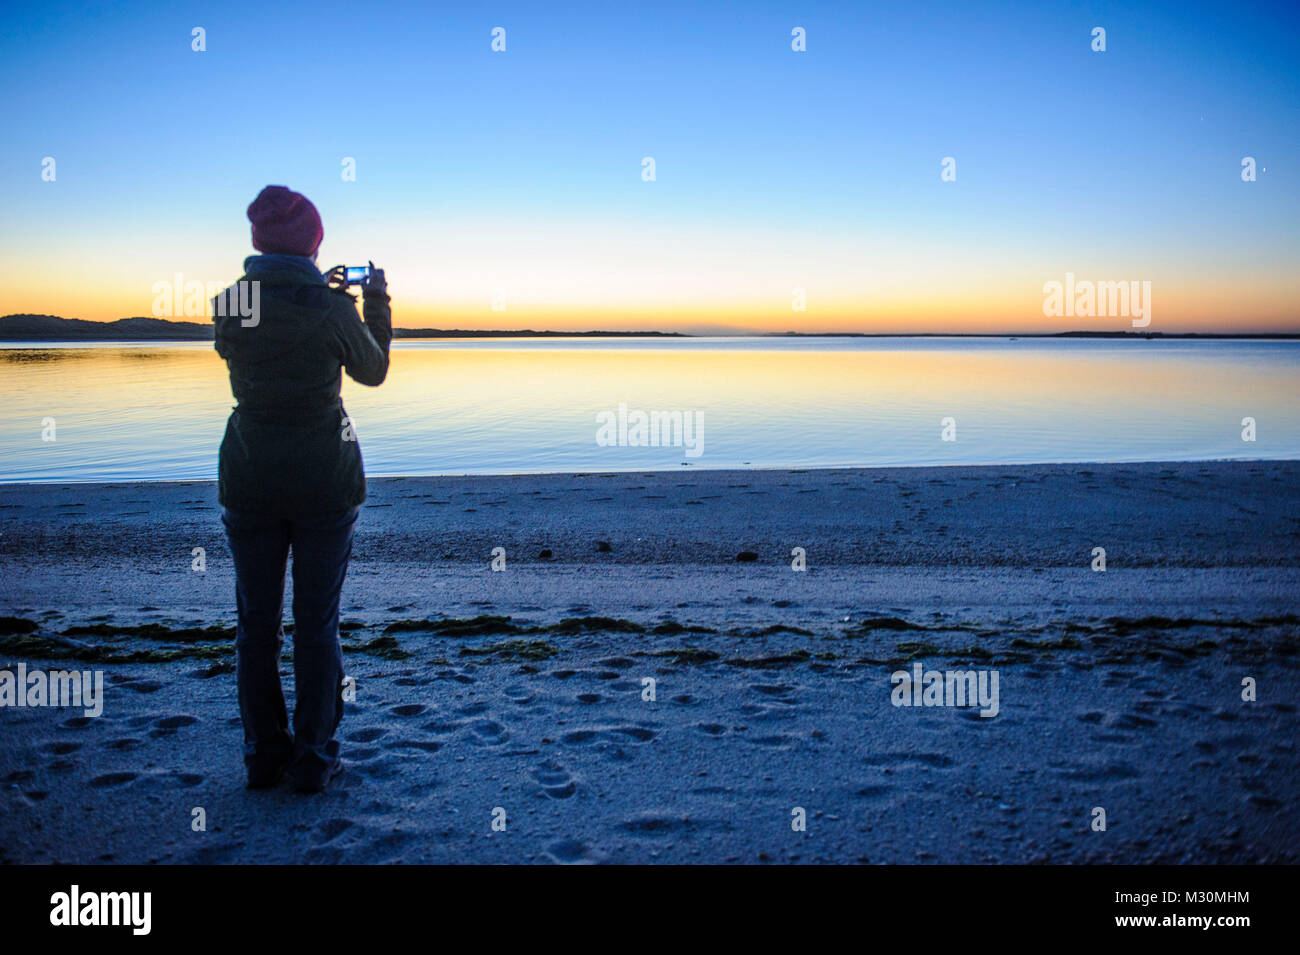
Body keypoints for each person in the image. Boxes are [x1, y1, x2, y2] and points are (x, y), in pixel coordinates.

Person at [212, 185, 392, 793]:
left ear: (257, 241)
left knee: (256, 625)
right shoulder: (331, 307)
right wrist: (373, 301)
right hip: (323, 479)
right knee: (317, 624)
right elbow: (373, 371)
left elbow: (239, 348)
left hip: (250, 475)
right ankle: (313, 758)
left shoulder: (232, 303)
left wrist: (319, 300)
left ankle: (265, 755)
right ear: (314, 243)